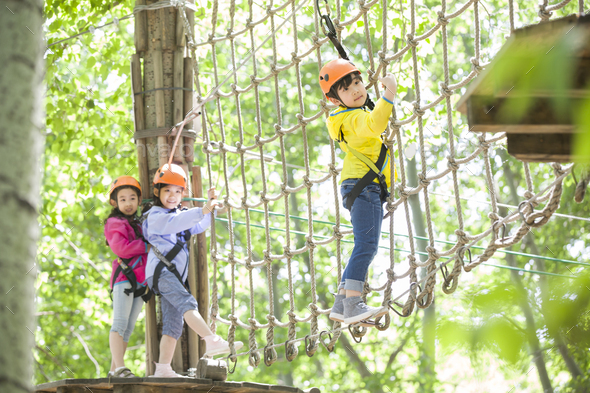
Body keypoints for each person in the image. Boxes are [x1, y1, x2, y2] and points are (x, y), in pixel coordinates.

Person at [142, 163, 243, 378]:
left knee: (173, 323)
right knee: (188, 303)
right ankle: (211, 340)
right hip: (161, 273)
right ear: (157, 192)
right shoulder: (155, 216)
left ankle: (162, 369)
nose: (172, 196)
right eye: (167, 190)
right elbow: (176, 222)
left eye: (177, 192)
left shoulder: (181, 214)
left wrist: (211, 208)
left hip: (171, 276)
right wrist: (202, 209)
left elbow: (198, 225)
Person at [319, 58, 397, 325]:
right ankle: (353, 303)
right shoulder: (353, 117)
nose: (355, 90)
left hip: (360, 186)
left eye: (356, 82)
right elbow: (375, 125)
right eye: (345, 89)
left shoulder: (347, 115)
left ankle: (342, 304)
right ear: (334, 99)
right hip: (364, 187)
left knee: (363, 245)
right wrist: (389, 95)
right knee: (366, 246)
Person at [105, 176, 150, 378]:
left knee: (128, 328)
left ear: (139, 200)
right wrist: (147, 246)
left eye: (132, 198)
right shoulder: (115, 222)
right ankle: (120, 368)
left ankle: (115, 370)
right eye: (122, 199)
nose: (128, 203)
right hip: (125, 277)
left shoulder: (139, 223)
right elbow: (120, 248)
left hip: (140, 281)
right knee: (120, 323)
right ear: (115, 202)